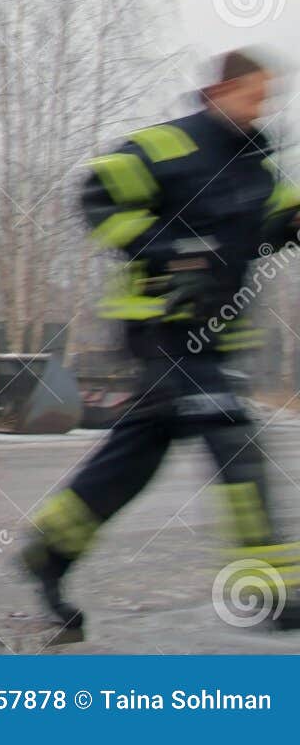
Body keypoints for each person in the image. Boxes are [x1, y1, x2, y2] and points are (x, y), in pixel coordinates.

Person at [22, 48, 300, 631]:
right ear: (219, 93)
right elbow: (95, 196)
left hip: (217, 337)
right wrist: (165, 250)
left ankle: (50, 548)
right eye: (253, 95)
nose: (262, 107)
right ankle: (274, 589)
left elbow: (275, 228)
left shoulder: (257, 168)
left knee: (136, 457)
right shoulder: (166, 146)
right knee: (233, 434)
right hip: (162, 329)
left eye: (267, 98)